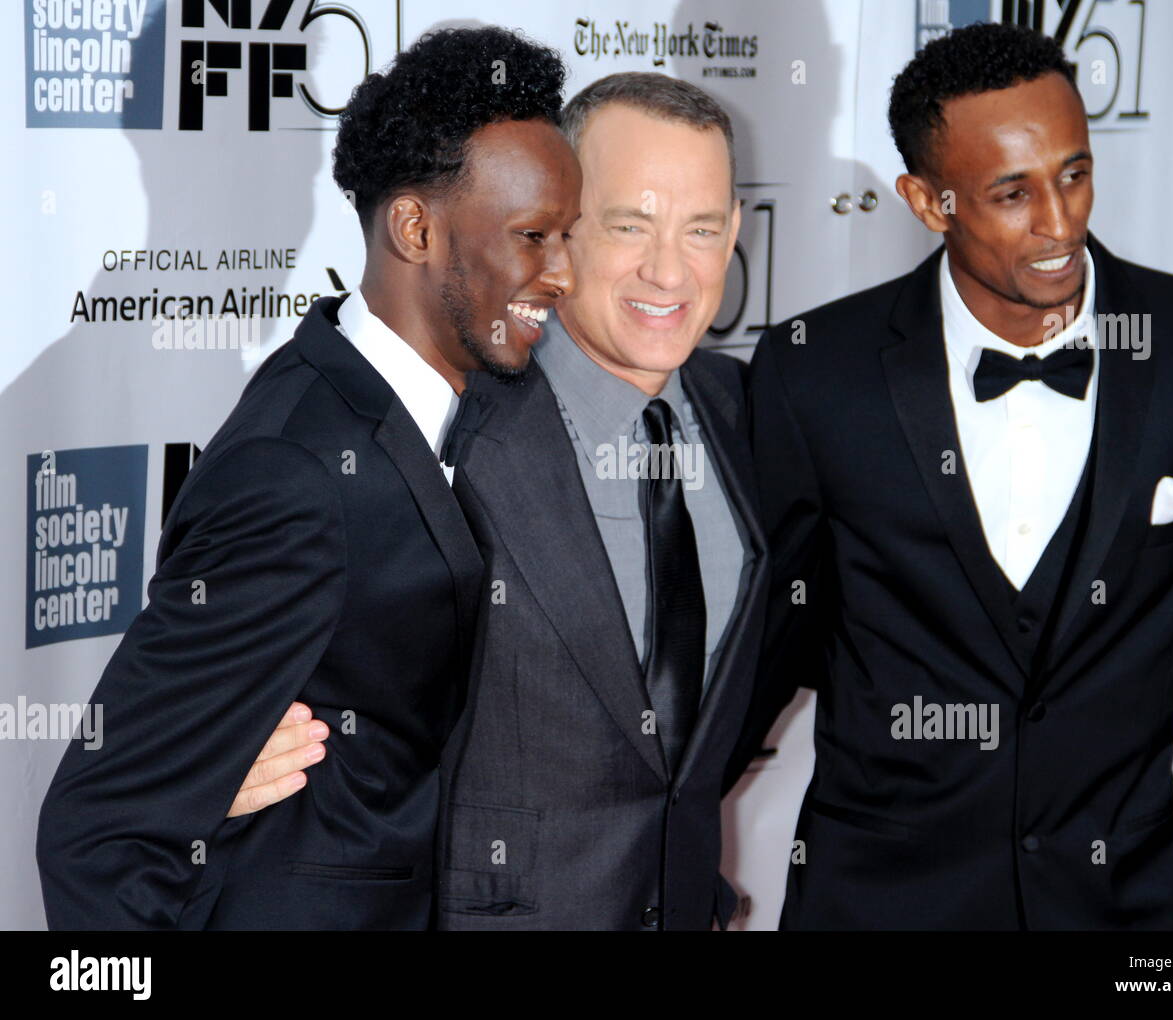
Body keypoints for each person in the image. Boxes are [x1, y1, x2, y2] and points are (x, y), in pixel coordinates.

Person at [731, 21, 1173, 930]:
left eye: (1074, 173)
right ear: (928, 202)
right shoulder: (815, 372)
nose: (1060, 222)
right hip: (879, 905)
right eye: (1011, 192)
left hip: (1130, 915)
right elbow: (755, 659)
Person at [35, 26, 580, 930]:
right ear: (416, 227)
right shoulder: (291, 473)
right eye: (533, 236)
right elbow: (97, 833)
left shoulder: (476, 403)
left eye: (565, 235)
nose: (561, 272)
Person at [231, 72, 769, 931]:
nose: (669, 270)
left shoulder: (742, 409)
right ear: (557, 228)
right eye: (628, 224)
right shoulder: (442, 427)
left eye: (701, 229)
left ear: (735, 231)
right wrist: (220, 761)